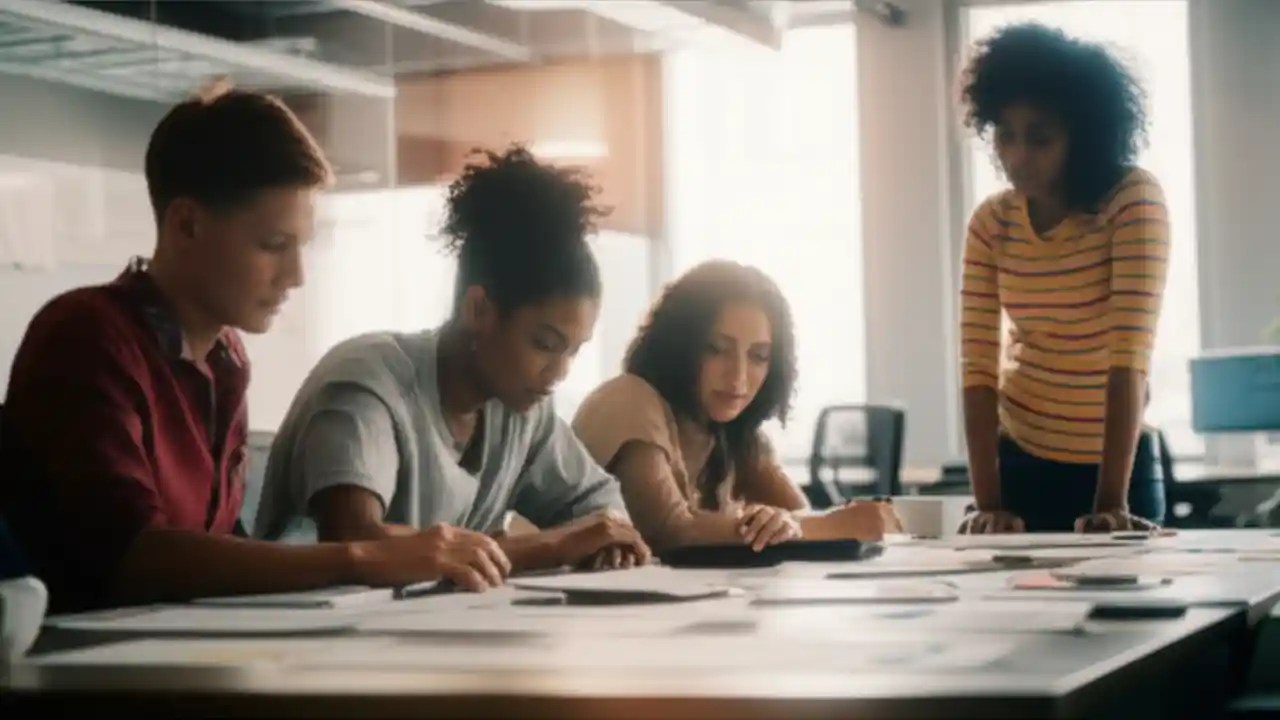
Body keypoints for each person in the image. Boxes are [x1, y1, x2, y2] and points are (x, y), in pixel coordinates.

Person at [0, 86, 511, 613]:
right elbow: (132, 557)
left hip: (165, 660)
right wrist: (363, 556)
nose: (296, 275)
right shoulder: (86, 336)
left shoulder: (226, 357)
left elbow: (219, 551)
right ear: (186, 225)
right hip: (70, 678)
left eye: (301, 246)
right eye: (273, 246)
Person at [253, 146, 650, 575]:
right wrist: (553, 546)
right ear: (479, 310)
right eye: (545, 343)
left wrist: (609, 544)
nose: (559, 372)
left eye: (574, 350)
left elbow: (600, 510)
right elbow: (355, 537)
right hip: (307, 634)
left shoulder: (523, 411)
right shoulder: (369, 382)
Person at [955, 24, 1170, 534]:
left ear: (1083, 136)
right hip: (1022, 462)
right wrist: (987, 503)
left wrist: (1111, 503)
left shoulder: (1131, 201)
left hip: (1118, 466)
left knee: (1123, 608)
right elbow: (978, 370)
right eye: (1005, 134)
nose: (1017, 156)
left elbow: (1129, 358)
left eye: (1040, 137)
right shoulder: (992, 223)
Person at [572, 261, 902, 553]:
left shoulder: (735, 434)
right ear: (678, 344)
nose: (739, 377)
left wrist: (789, 521)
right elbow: (669, 530)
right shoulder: (628, 399)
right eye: (717, 349)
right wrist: (826, 526)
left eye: (758, 356)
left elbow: (799, 513)